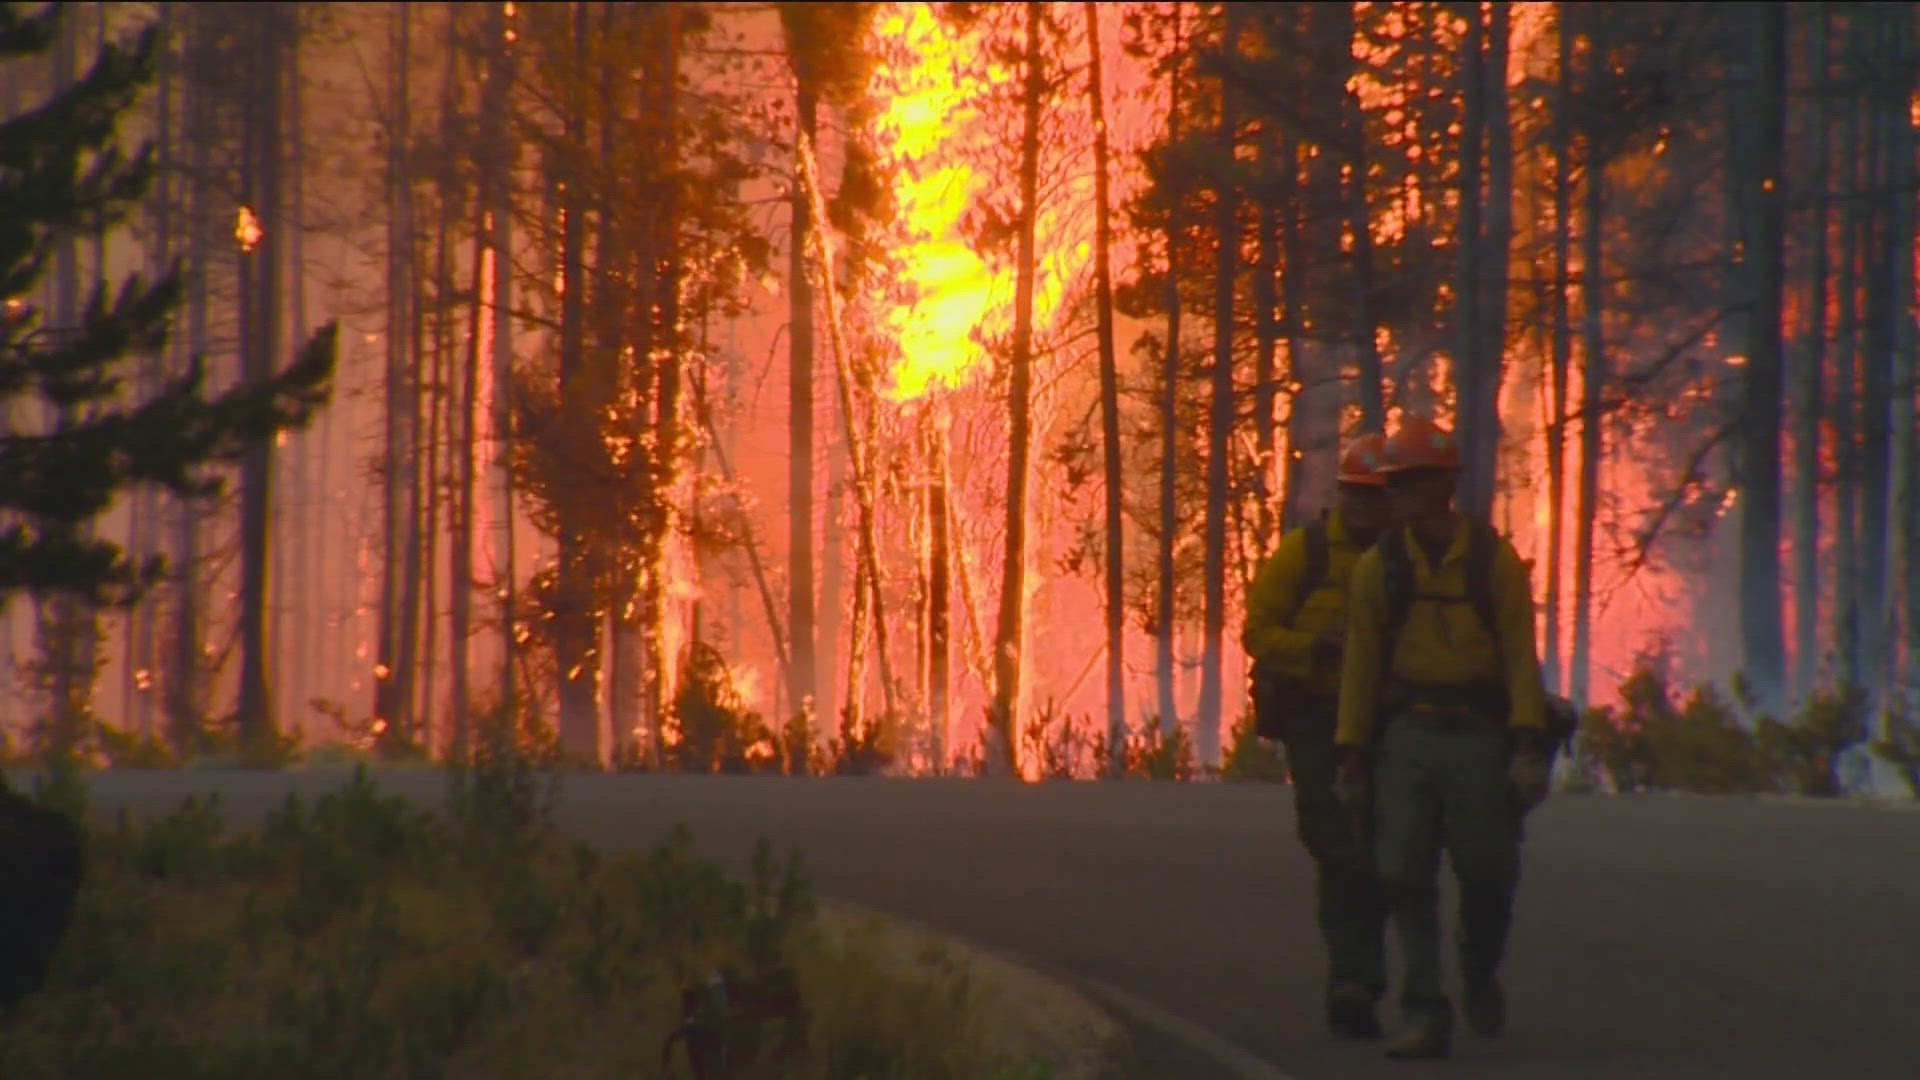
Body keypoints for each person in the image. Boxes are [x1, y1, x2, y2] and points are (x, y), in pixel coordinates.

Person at [1332, 416, 1552, 1059]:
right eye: (1388, 483)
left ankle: (1479, 970)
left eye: (1404, 483)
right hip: (1407, 737)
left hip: (1479, 737)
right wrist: (1352, 751)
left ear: (1441, 486)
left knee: (1489, 871)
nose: (1390, 495)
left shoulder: (1490, 563)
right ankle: (1425, 1008)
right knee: (1401, 869)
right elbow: (1361, 667)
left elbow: (1519, 655)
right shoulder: (1379, 570)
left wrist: (1528, 746)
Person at [1242, 432, 1394, 1039]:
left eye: (1378, 496)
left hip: (1388, 719)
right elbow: (1258, 633)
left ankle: (1365, 978)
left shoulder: (1408, 560)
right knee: (1336, 848)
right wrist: (1314, 647)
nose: (1365, 507)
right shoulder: (1302, 555)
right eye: (1357, 494)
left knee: (1389, 852)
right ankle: (1352, 979)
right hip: (1315, 715)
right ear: (1342, 496)